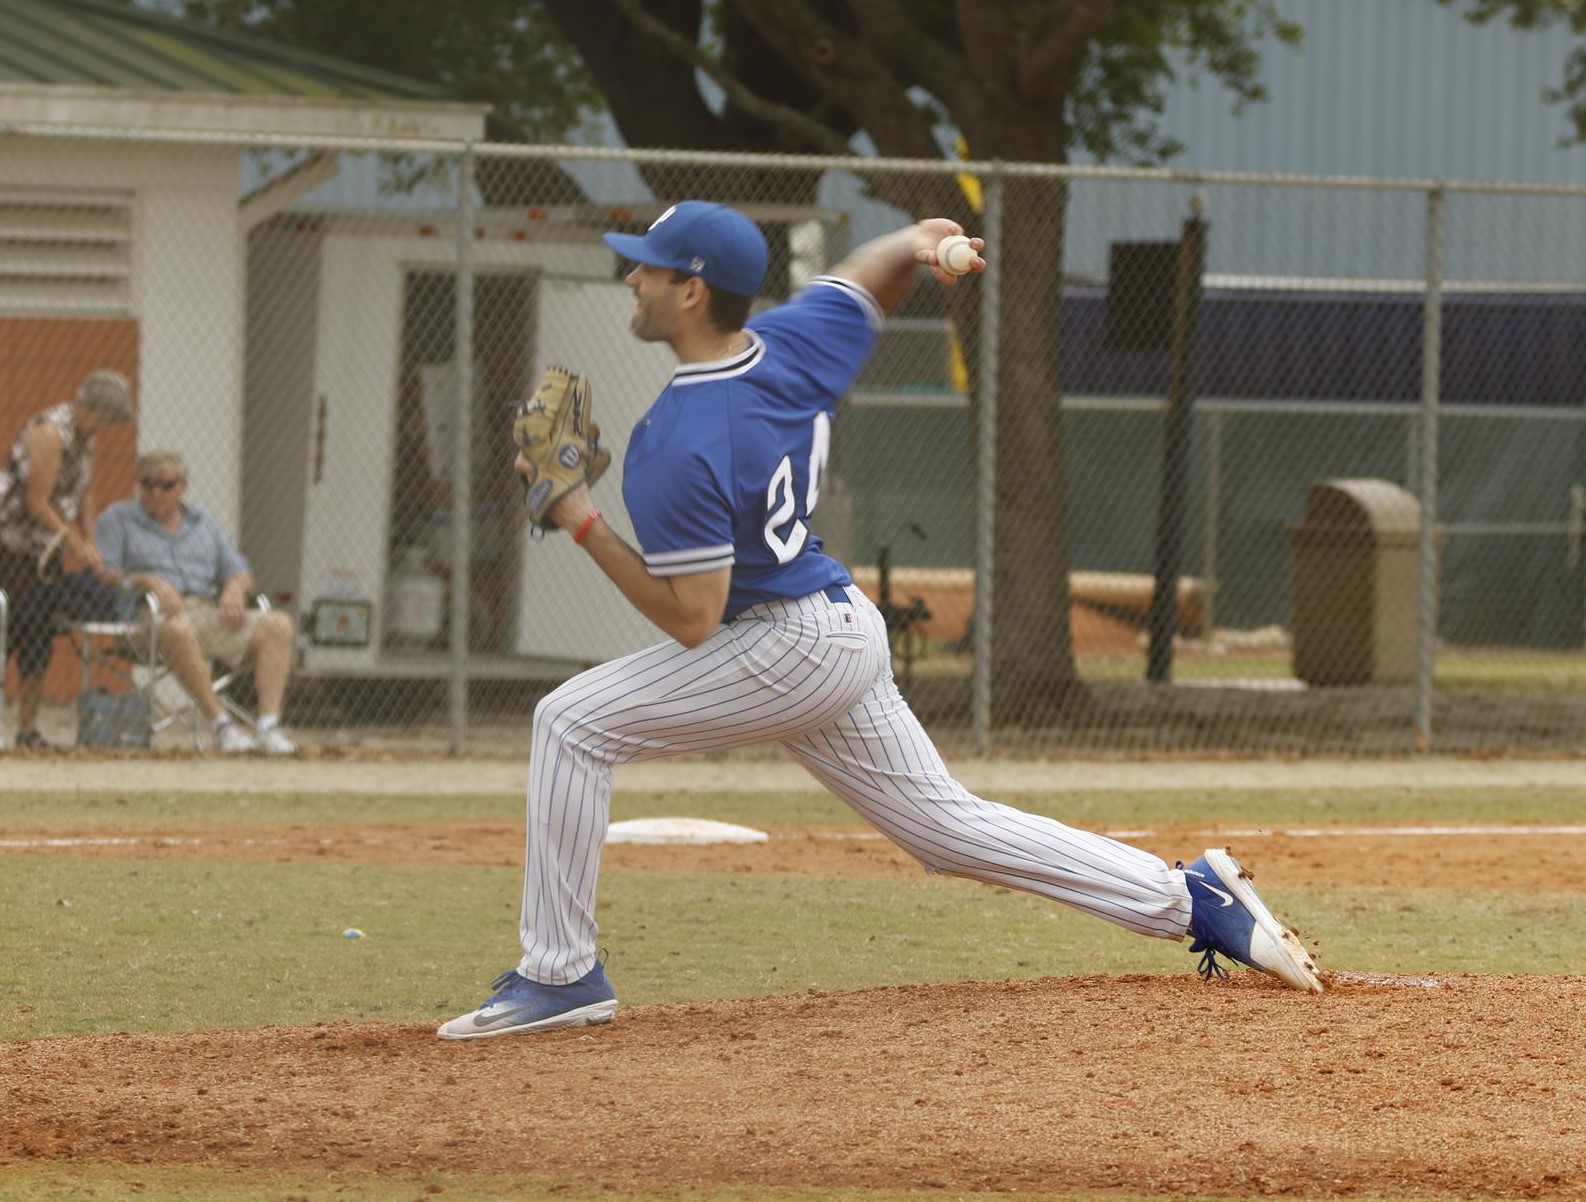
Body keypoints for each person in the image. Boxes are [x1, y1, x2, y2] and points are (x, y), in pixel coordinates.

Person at [437, 203, 1322, 1041]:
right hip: (838, 626)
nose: (632, 279)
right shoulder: (788, 342)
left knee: (571, 722)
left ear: (693, 291)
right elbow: (866, 279)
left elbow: (694, 619)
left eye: (650, 269)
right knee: (947, 828)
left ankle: (558, 974)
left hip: (781, 646)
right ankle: (1190, 899)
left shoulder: (677, 439)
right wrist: (914, 243)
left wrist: (580, 517)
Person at [95, 450, 298, 755]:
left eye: (165, 485)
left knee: (278, 624)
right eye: (147, 484)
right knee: (177, 629)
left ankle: (268, 727)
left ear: (183, 486)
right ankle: (222, 726)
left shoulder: (203, 522)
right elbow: (104, 572)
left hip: (204, 610)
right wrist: (148, 581)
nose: (155, 493)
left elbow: (239, 570)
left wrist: (234, 588)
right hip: (146, 615)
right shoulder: (118, 518)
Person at [0, 369, 133, 749]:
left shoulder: (84, 439)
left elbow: (83, 492)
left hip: (45, 552)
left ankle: (27, 730)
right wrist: (77, 545)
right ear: (94, 410)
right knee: (5, 630)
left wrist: (90, 539)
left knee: (38, 634)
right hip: (11, 546)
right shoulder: (50, 432)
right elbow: (36, 501)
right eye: (108, 419)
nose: (107, 428)